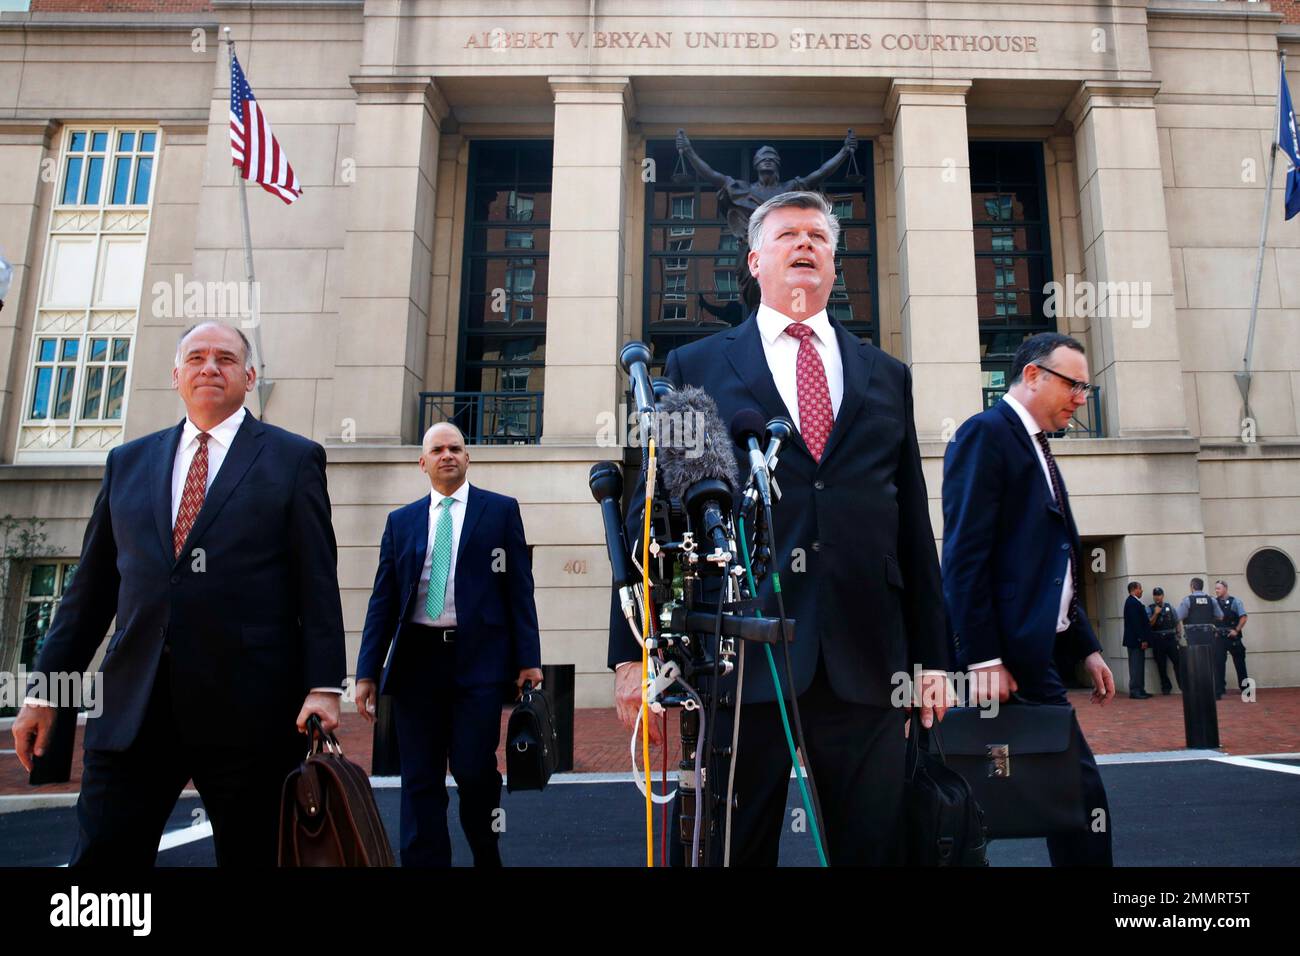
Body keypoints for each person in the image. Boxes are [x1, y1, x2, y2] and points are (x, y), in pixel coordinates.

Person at [608, 190, 950, 866]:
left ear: (834, 263)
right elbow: (650, 516)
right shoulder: (694, 368)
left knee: (878, 848)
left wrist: (934, 656)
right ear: (755, 258)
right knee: (731, 850)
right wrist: (632, 655)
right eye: (789, 234)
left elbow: (911, 517)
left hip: (868, 655)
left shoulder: (888, 375)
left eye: (818, 237)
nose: (805, 245)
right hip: (741, 656)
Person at [10, 321, 346, 866]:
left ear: (250, 375)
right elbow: (90, 592)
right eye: (196, 357)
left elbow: (317, 583)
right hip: (134, 708)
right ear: (175, 375)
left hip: (250, 709)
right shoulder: (128, 462)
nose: (209, 367)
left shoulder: (293, 459)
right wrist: (46, 691)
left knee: (256, 856)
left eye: (225, 359)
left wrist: (325, 685)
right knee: (103, 860)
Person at [942, 331, 1116, 867]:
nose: (1081, 399)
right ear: (1034, 375)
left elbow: (1052, 564)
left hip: (1035, 656)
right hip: (1008, 662)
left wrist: (1084, 645)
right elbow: (964, 558)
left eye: (1087, 388)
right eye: (1074, 385)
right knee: (1071, 793)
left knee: (1042, 793)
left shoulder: (1038, 444)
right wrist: (983, 658)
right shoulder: (985, 435)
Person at [356, 422, 542, 867]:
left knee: (475, 770)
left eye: (456, 448)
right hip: (417, 662)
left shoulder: (499, 512)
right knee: (419, 778)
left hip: (477, 661)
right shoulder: (400, 523)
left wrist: (529, 660)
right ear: (423, 463)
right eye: (437, 449)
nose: (447, 455)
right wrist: (366, 671)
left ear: (467, 457)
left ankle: (484, 852)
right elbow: (382, 600)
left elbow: (519, 589)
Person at [1212, 580, 1249, 698]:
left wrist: (1236, 630)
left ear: (1225, 588)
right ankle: (1219, 690)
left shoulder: (1235, 602)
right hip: (1220, 638)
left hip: (1233, 637)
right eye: (1216, 588)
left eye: (1219, 588)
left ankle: (1245, 689)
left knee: (1240, 663)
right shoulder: (1214, 603)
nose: (1216, 590)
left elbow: (1243, 617)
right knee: (1218, 664)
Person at [1147, 587, 1181, 694]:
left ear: (1163, 595)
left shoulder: (1169, 607)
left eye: (1159, 595)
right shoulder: (1150, 609)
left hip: (1170, 638)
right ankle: (1166, 687)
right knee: (1161, 665)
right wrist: (1156, 613)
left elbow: (1177, 621)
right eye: (1155, 595)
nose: (1157, 597)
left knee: (1178, 662)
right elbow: (1149, 624)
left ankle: (1183, 685)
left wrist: (1178, 635)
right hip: (1158, 639)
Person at [1122, 582, 1153, 699]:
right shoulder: (1132, 603)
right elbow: (1136, 624)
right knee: (1136, 665)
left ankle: (1140, 688)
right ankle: (1135, 690)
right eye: (1140, 588)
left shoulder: (1134, 602)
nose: (1142, 591)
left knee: (1139, 665)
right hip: (1135, 640)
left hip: (1136, 640)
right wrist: (1142, 639)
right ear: (1134, 590)